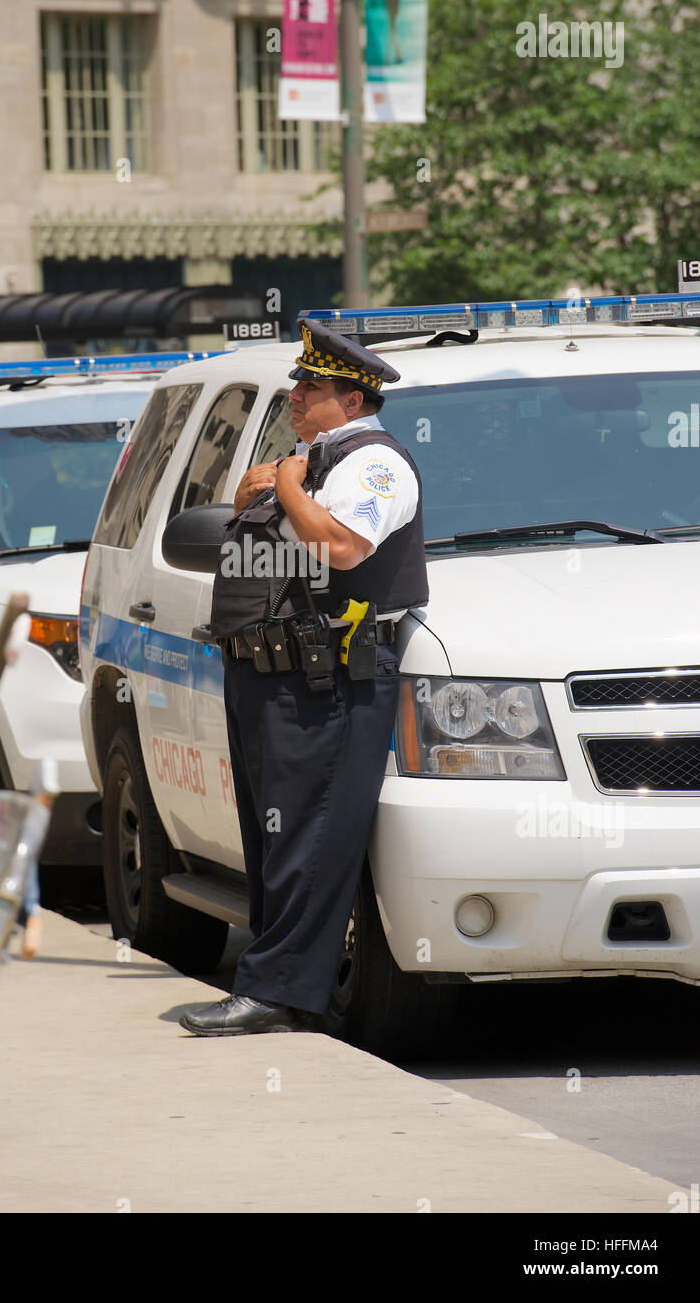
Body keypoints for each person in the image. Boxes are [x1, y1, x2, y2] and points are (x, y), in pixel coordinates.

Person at [179, 320, 429, 1036]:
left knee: (306, 840)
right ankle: (270, 982)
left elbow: (341, 548)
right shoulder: (311, 462)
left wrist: (287, 484)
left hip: (326, 681)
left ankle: (276, 993)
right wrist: (265, 491)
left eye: (310, 386)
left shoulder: (370, 465)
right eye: (296, 382)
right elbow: (274, 559)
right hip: (269, 673)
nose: (294, 395)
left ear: (351, 401)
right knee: (274, 838)